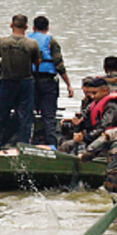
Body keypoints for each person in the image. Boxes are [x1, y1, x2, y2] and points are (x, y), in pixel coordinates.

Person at [0, 14, 42, 152]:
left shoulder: (2, 42)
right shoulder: (32, 44)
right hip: (25, 82)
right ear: (26, 27)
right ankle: (23, 148)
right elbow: (37, 62)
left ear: (11, 25)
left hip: (6, 81)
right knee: (25, 118)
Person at [28, 15, 75, 146]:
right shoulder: (51, 41)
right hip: (47, 82)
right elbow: (59, 65)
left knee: (26, 114)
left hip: (28, 81)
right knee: (49, 116)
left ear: (33, 28)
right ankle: (52, 146)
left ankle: (25, 143)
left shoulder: (26, 39)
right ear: (47, 28)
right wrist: (69, 85)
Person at [59, 76, 117, 154]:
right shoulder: (93, 103)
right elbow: (85, 120)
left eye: (95, 93)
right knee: (66, 144)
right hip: (94, 138)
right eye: (90, 93)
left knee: (81, 150)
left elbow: (105, 128)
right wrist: (77, 124)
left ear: (105, 91)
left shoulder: (112, 106)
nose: (92, 96)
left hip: (108, 140)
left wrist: (85, 138)